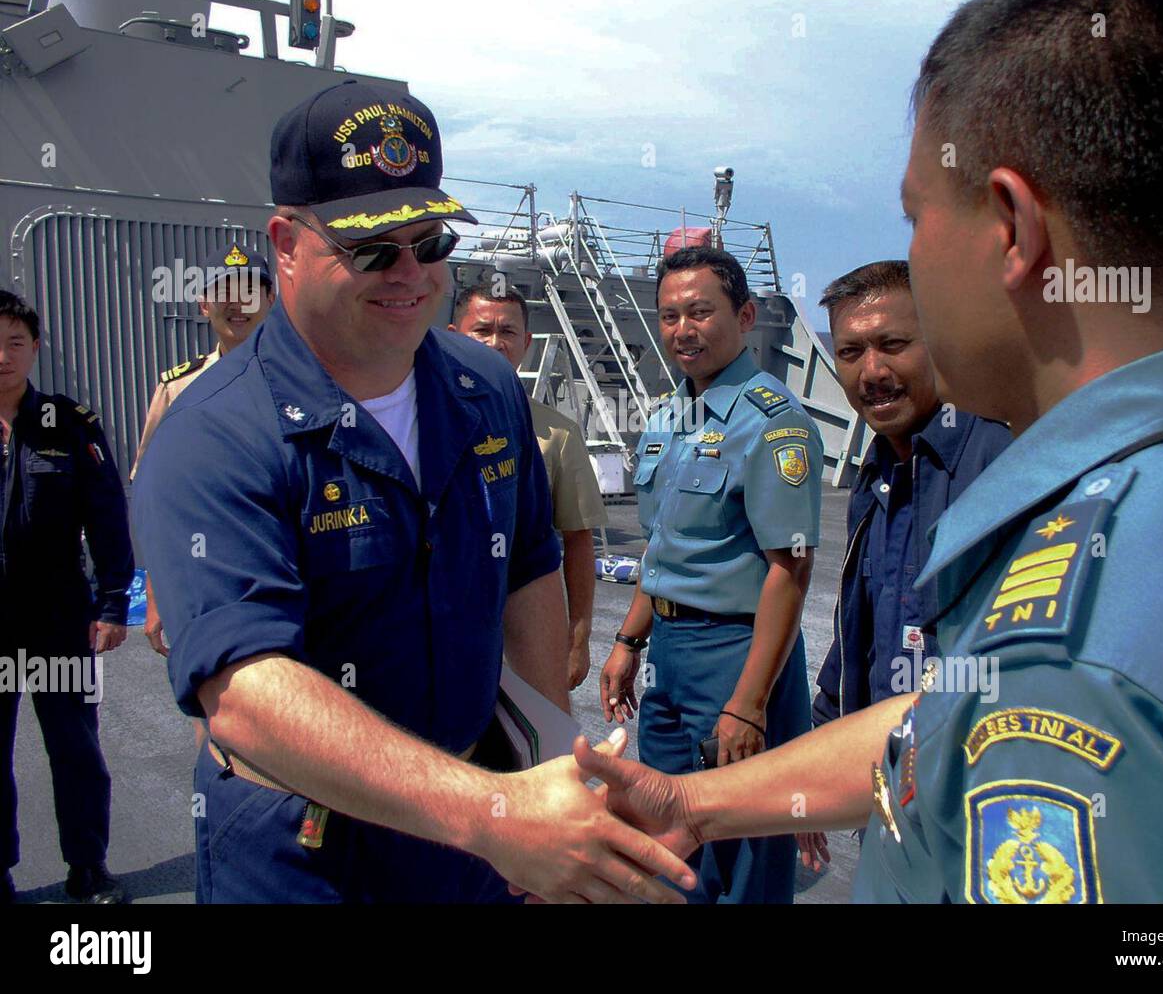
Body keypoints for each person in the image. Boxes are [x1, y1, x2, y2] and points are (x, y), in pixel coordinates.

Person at [575, 0, 1163, 903]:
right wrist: (694, 804)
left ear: (1012, 227)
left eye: (916, 215)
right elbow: (939, 718)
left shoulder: (1068, 663)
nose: (910, 252)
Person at [132, 80, 695, 904]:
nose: (408, 274)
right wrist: (501, 816)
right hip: (306, 851)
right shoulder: (214, 433)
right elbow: (246, 694)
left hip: (473, 828)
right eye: (371, 250)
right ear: (285, 244)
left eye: (429, 245)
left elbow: (527, 572)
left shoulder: (485, 388)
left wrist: (546, 776)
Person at [598, 245, 824, 904]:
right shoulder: (670, 419)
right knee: (667, 844)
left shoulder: (773, 423)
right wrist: (628, 641)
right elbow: (663, 548)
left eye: (700, 312)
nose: (681, 330)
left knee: (742, 853)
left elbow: (790, 567)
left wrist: (748, 703)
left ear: (746, 315)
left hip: (735, 652)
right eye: (669, 316)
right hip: (669, 652)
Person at [798, 261, 1009, 873]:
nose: (873, 371)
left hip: (976, 811)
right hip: (889, 802)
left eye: (894, 345)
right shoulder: (878, 473)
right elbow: (855, 641)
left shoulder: (1001, 461)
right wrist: (814, 770)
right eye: (851, 351)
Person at [0, 290, 134, 905]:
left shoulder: (68, 422)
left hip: (57, 615)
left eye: (14, 342)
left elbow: (106, 514)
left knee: (75, 746)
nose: (2, 356)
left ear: (35, 348)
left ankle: (88, 867)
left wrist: (111, 602)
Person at [450, 282, 607, 690]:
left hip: (526, 630)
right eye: (482, 331)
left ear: (527, 342)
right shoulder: (422, 422)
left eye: (508, 333)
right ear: (453, 337)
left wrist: (578, 639)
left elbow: (578, 537)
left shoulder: (558, 434)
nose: (496, 344)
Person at [133, 245, 276, 660]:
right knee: (211, 709)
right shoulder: (178, 388)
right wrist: (158, 591)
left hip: (298, 568)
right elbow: (155, 496)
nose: (239, 303)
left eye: (250, 290)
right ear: (203, 303)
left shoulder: (312, 379)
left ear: (271, 299)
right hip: (208, 575)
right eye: (224, 290)